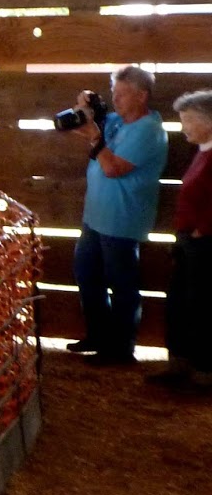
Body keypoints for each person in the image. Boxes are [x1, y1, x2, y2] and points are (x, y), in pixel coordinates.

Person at [68, 64, 168, 365]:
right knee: (88, 276)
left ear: (142, 96)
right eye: (113, 93)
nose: (116, 100)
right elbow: (84, 123)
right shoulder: (117, 121)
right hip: (96, 216)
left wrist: (94, 138)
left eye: (123, 94)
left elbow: (113, 168)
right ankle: (99, 336)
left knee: (122, 284)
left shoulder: (149, 130)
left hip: (123, 220)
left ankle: (121, 349)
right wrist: (86, 105)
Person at [148, 90, 212, 389]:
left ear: (208, 122)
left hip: (204, 243)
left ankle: (204, 369)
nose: (183, 126)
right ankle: (180, 362)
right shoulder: (202, 151)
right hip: (190, 239)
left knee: (202, 304)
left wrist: (202, 229)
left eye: (188, 120)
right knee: (179, 301)